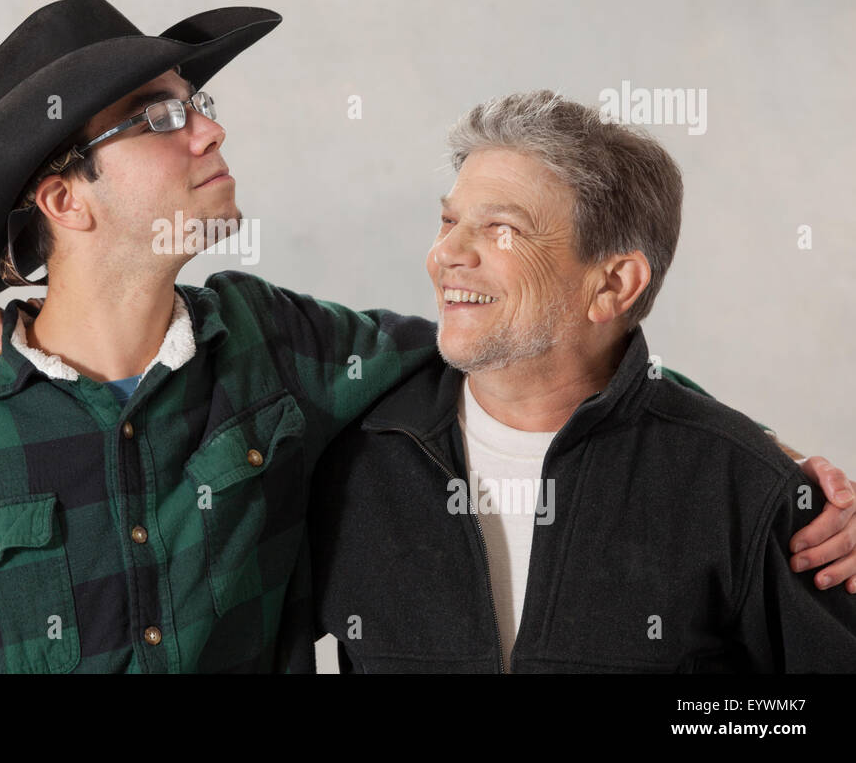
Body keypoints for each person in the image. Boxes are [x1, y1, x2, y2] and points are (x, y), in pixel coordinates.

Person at [0, 0, 440, 672]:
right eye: (161, 116)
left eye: (199, 105)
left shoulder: (272, 342)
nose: (208, 131)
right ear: (64, 201)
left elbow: (470, 355)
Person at [299, 91, 856, 671]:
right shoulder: (351, 462)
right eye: (448, 220)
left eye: (500, 229)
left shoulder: (746, 489)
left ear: (613, 285)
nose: (446, 254)